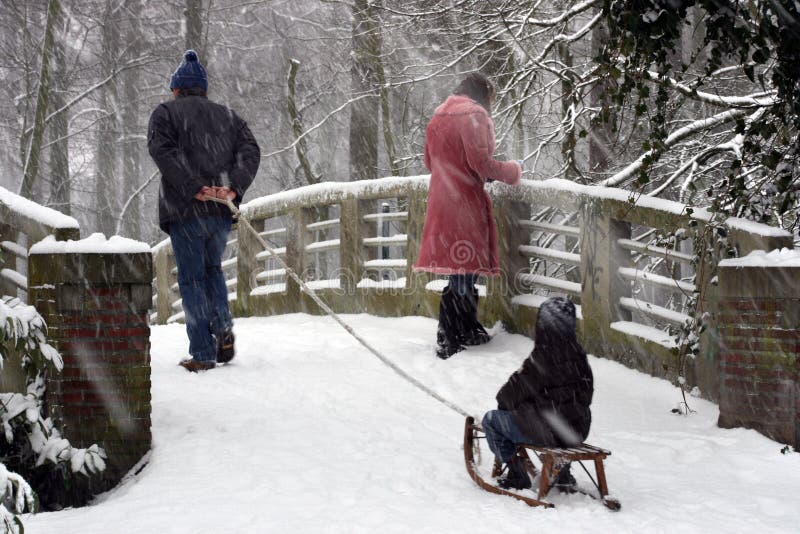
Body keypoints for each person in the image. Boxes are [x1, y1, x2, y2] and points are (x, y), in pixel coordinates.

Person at [148, 50, 260, 372]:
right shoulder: (229, 116)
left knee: (192, 279)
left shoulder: (165, 114)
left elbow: (161, 151)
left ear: (176, 89)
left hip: (185, 210)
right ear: (204, 89)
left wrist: (193, 186)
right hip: (220, 212)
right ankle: (222, 328)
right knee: (212, 270)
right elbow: (251, 150)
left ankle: (202, 351)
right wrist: (233, 187)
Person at [413, 73, 522, 359]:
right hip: (464, 202)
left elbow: (428, 161)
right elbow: (480, 162)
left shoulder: (439, 117)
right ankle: (451, 333)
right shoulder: (474, 115)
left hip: (442, 198)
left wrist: (452, 167)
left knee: (461, 265)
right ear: (483, 96)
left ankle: (464, 327)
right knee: (465, 268)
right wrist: (511, 171)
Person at [481, 297, 593, 490]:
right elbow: (585, 396)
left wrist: (524, 406)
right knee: (545, 417)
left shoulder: (542, 358)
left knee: (491, 421)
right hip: (576, 431)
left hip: (547, 431)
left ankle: (516, 473)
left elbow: (506, 397)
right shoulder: (579, 357)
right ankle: (562, 472)